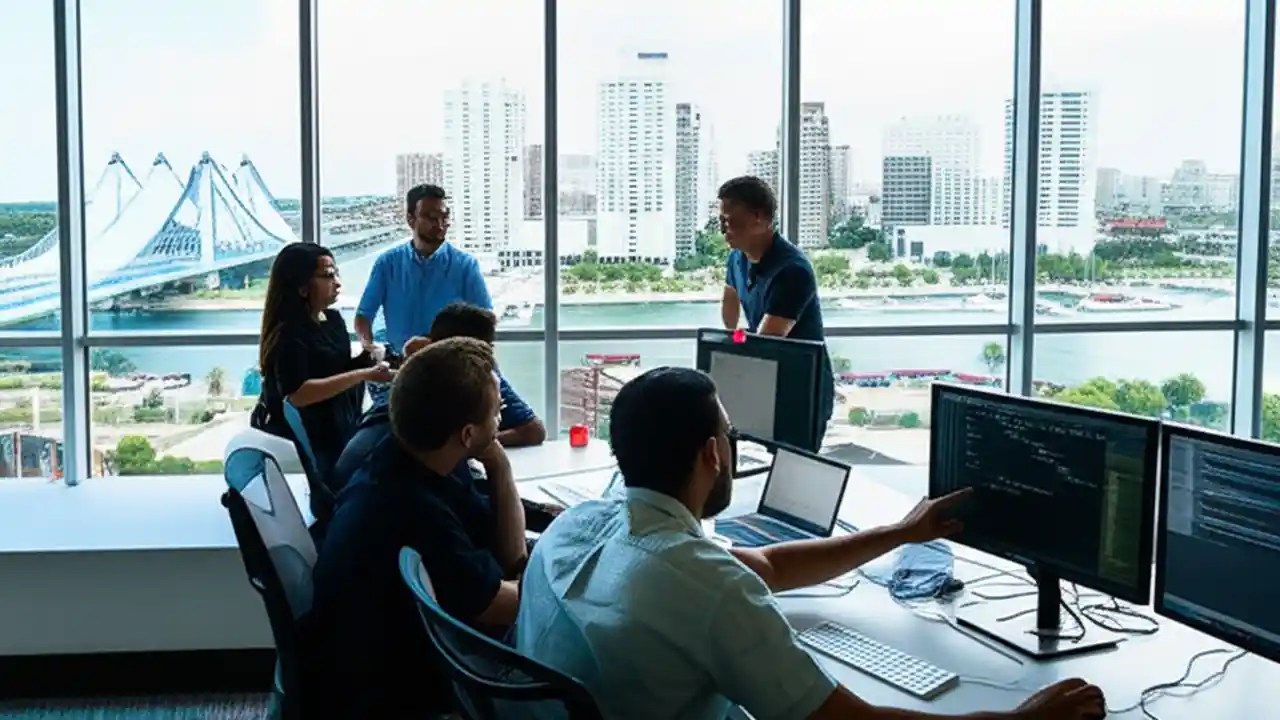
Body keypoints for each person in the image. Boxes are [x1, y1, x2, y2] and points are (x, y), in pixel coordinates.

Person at [516, 366, 1107, 720]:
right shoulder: (706, 587)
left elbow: (768, 564)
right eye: (729, 433)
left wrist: (903, 533)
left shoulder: (582, 524)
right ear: (713, 454)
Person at [311, 337, 526, 717]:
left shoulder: (416, 457)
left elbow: (510, 556)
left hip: (394, 657)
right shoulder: (411, 509)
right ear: (466, 435)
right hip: (397, 690)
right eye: (497, 412)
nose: (500, 419)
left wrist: (498, 464)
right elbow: (501, 607)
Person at [249, 242, 393, 520]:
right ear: (301, 287)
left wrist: (367, 359)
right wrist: (364, 374)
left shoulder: (333, 321)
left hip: (343, 431)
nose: (337, 283)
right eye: (328, 276)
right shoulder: (289, 336)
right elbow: (298, 394)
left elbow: (336, 372)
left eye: (335, 273)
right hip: (322, 448)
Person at [719, 175, 834, 450]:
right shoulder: (737, 257)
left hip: (800, 390)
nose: (723, 228)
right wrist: (732, 338)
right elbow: (730, 303)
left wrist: (735, 352)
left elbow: (767, 341)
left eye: (729, 220)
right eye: (721, 220)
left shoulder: (792, 271)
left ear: (759, 219)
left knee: (791, 469)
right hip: (767, 376)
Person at [354, 183, 492, 402]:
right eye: (430, 217)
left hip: (450, 366)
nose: (440, 224)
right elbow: (363, 315)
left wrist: (432, 342)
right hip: (400, 367)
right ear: (411, 219)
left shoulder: (466, 265)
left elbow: (486, 322)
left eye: (444, 217)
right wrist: (369, 347)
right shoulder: (387, 263)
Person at [402, 301, 545, 447]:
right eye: (485, 348)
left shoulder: (486, 376)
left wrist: (479, 444)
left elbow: (534, 431)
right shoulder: (414, 386)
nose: (489, 356)